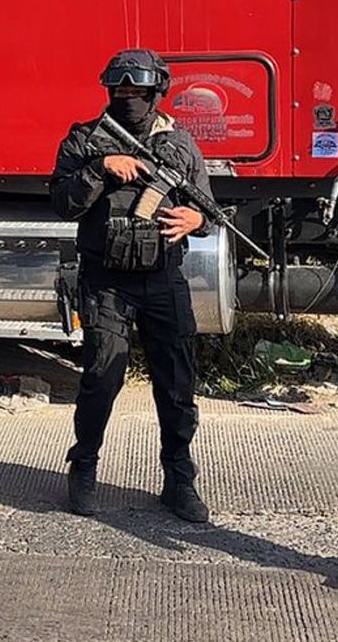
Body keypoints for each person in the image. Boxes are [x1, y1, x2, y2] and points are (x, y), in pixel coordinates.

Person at [50, 48, 215, 523]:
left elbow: (207, 207)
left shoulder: (179, 144)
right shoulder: (85, 140)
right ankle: (83, 468)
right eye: (120, 89)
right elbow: (62, 203)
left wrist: (195, 218)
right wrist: (100, 170)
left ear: (155, 92)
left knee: (176, 384)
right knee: (102, 378)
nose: (129, 98)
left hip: (163, 277)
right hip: (107, 281)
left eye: (138, 90)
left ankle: (179, 479)